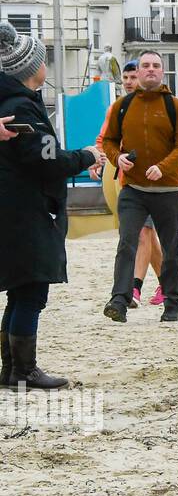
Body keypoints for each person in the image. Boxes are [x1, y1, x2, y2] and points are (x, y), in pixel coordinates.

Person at [1, 21, 105, 388]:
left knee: (19, 291)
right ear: (33, 69)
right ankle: (23, 371)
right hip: (26, 213)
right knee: (31, 291)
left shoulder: (13, 103)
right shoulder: (22, 108)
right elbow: (48, 159)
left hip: (16, 211)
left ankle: (11, 370)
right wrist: (87, 155)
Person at [100, 50, 178, 322]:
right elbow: (109, 140)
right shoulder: (123, 105)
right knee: (127, 243)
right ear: (137, 72)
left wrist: (163, 167)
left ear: (163, 72)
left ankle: (172, 303)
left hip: (168, 191)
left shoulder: (175, 106)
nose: (150, 70)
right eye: (145, 66)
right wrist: (118, 159)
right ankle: (119, 299)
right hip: (133, 191)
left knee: (172, 247)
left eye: (155, 66)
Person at [92, 60, 166, 307]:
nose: (129, 82)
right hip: (131, 182)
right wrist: (98, 160)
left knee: (144, 234)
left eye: (133, 77)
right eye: (125, 78)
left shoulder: (161, 105)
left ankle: (134, 289)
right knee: (148, 236)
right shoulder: (117, 108)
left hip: (159, 182)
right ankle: (167, 283)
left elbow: (177, 142)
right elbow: (104, 139)